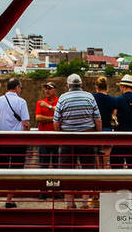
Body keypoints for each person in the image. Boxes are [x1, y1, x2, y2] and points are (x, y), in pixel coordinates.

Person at [53, 73, 102, 209]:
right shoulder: (89, 97)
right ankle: (84, 203)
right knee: (87, 171)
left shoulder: (63, 98)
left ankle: (69, 203)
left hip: (67, 140)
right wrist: (97, 137)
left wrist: (60, 136)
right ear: (81, 84)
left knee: (66, 172)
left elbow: (56, 121)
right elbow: (97, 119)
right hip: (87, 139)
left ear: (68, 85)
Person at [0, 77, 31, 208]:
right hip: (18, 141)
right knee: (16, 170)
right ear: (17, 88)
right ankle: (9, 199)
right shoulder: (21, 102)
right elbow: (25, 123)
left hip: (3, 140)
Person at [110, 74, 132, 169]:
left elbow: (113, 117)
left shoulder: (117, 100)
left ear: (123, 86)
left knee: (116, 166)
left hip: (119, 137)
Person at [35, 81, 59, 170]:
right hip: (43, 138)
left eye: (49, 88)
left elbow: (62, 116)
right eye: (46, 88)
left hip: (57, 138)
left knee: (57, 165)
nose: (47, 90)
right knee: (43, 165)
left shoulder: (59, 101)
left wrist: (47, 107)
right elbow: (38, 118)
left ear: (55, 90)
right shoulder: (40, 102)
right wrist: (54, 119)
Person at [93, 76, 116, 168]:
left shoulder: (92, 97)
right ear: (107, 86)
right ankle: (104, 170)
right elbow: (114, 115)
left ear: (96, 86)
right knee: (106, 156)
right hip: (107, 129)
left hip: (95, 130)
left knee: (97, 155)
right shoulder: (112, 99)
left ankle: (98, 173)